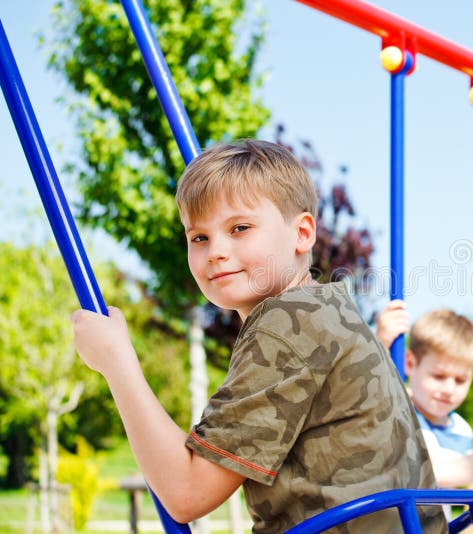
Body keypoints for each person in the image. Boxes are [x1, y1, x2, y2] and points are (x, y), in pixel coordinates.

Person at [70, 140, 447, 533]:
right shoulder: (330, 309)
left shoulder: (287, 325)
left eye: (239, 228)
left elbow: (187, 493)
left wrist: (117, 362)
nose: (215, 250)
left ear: (302, 234)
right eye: (199, 237)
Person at [376, 302, 473, 490]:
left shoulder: (462, 431)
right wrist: (381, 342)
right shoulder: (397, 409)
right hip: (391, 517)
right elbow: (369, 389)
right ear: (409, 363)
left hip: (434, 520)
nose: (449, 389)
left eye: (460, 380)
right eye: (439, 376)